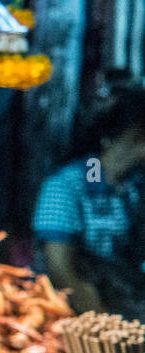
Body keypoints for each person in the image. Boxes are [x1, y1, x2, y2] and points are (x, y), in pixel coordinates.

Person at [33, 85, 145, 319]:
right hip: (78, 314)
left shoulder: (134, 187)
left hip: (126, 301)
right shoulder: (65, 186)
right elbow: (60, 269)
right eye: (137, 139)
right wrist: (106, 325)